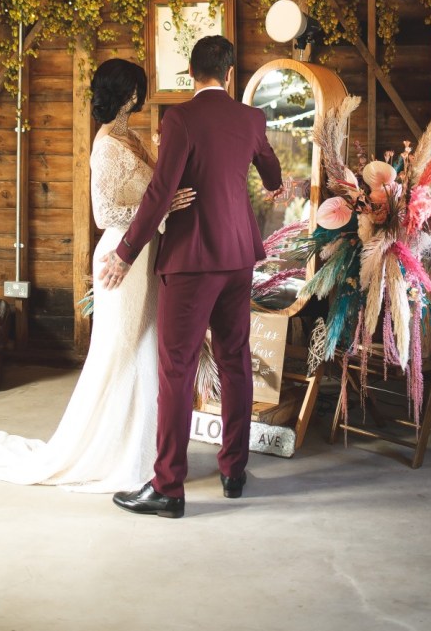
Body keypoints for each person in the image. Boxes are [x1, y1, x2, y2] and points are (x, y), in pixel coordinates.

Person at [0, 59, 193, 492]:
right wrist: (161, 211)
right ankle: (107, 452)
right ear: (130, 94)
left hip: (147, 255)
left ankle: (143, 453)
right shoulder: (106, 146)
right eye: (139, 89)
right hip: (122, 255)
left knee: (145, 351)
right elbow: (105, 215)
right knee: (117, 352)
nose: (142, 97)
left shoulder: (131, 136)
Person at [101, 35, 283, 519]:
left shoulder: (178, 118)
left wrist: (124, 252)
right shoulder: (250, 119)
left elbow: (161, 193)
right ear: (229, 75)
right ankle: (234, 471)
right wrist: (275, 185)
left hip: (190, 262)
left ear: (190, 72)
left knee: (177, 369)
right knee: (235, 361)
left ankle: (168, 488)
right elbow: (270, 170)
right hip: (239, 257)